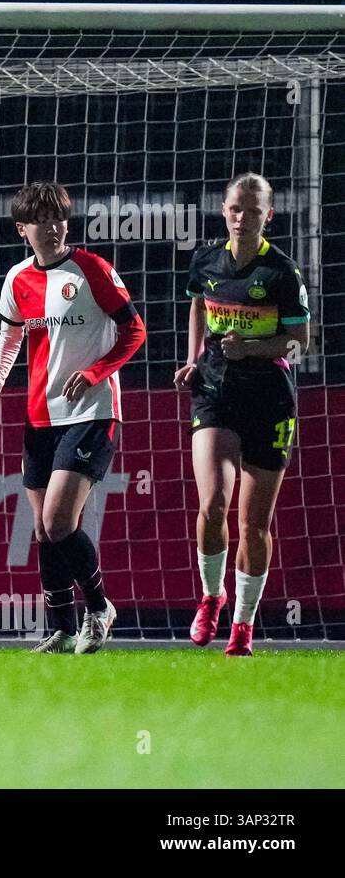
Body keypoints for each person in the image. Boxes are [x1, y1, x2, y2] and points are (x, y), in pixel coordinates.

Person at [0, 181, 145, 653]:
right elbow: (9, 342)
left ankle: (99, 608)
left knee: (57, 520)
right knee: (41, 529)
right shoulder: (17, 280)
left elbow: (134, 330)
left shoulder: (92, 269)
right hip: (39, 417)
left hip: (92, 412)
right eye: (40, 221)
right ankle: (63, 628)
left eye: (58, 219)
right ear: (21, 230)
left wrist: (95, 373)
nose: (51, 228)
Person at [175, 172, 310, 657]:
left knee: (254, 525)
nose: (242, 216)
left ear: (267, 216)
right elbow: (196, 305)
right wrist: (194, 358)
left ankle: (243, 624)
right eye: (235, 207)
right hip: (214, 392)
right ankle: (212, 595)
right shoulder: (207, 260)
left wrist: (250, 346)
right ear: (224, 210)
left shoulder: (282, 273)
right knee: (213, 504)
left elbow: (300, 341)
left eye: (253, 210)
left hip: (270, 401)